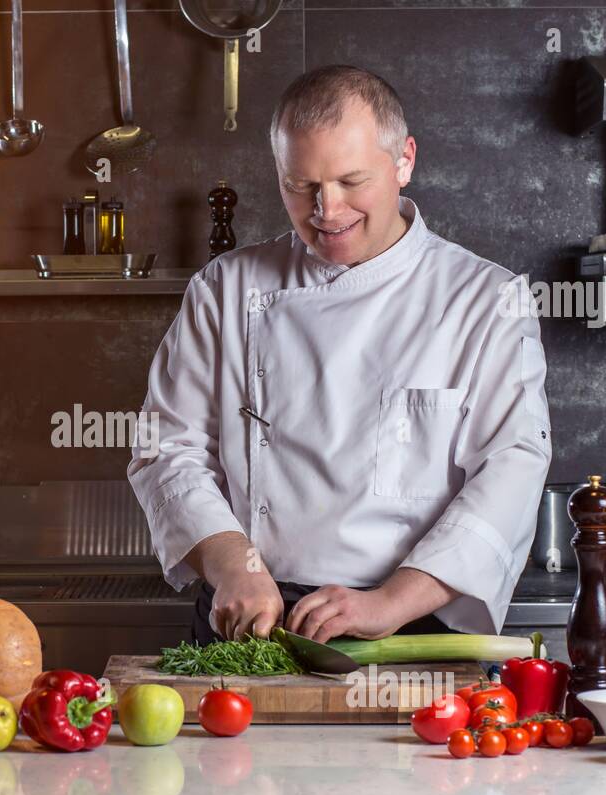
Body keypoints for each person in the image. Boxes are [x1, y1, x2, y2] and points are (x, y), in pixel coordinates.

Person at [127, 64, 553, 645]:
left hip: (407, 628)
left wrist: (391, 602)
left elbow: (512, 468)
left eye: (351, 181)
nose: (326, 210)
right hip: (251, 621)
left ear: (404, 160)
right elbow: (165, 447)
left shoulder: (485, 299)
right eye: (300, 186)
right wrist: (233, 565)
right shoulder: (226, 288)